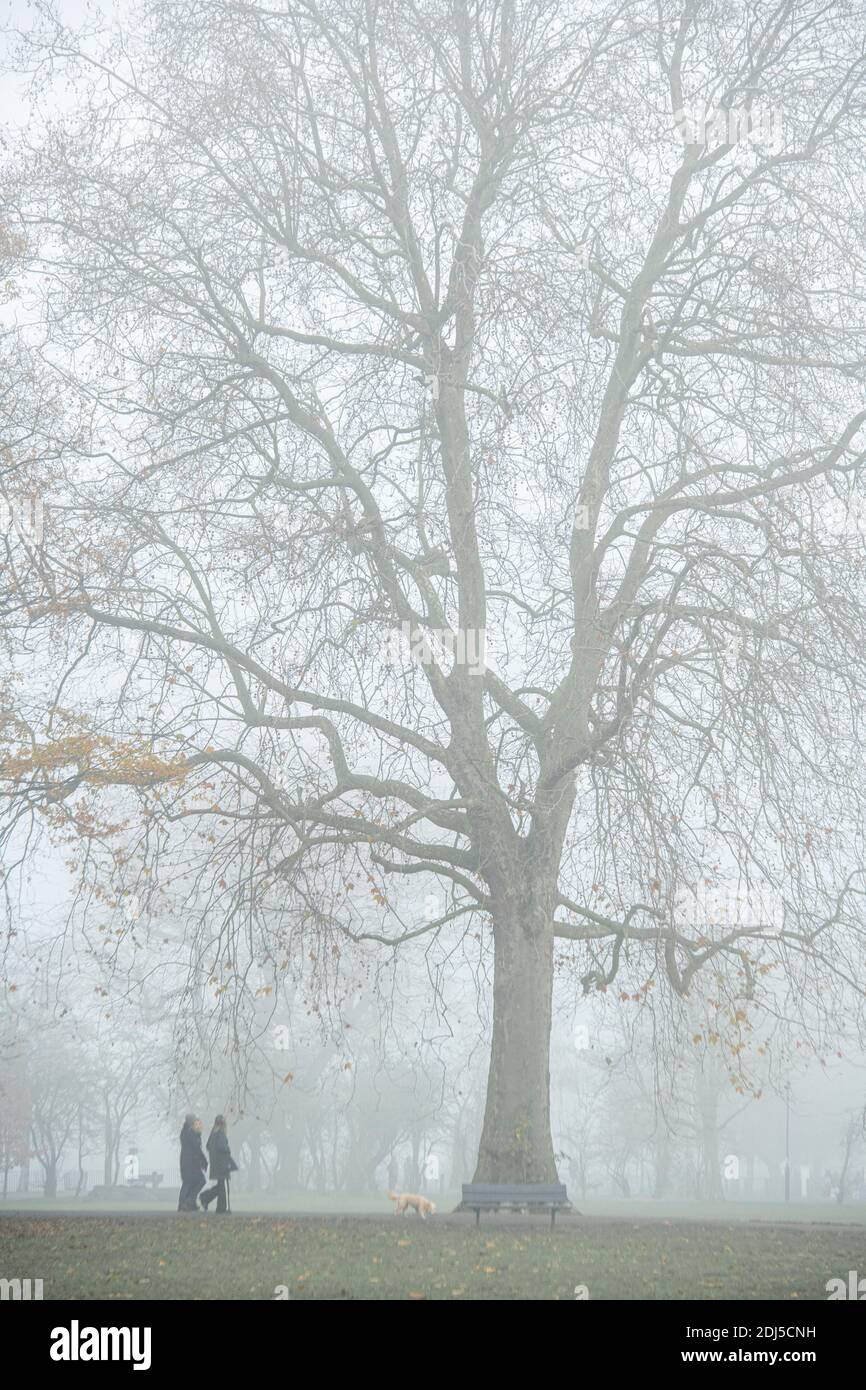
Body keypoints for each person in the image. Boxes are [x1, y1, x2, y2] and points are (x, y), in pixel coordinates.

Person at [200, 1114, 238, 1214]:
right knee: (222, 1186)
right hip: (222, 1163)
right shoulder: (221, 1133)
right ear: (223, 1124)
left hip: (215, 1163)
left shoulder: (213, 1133)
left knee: (220, 1185)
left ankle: (205, 1198)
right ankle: (220, 1208)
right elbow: (222, 1147)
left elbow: (208, 1146)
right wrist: (228, 1149)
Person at [177, 1114, 207, 1212]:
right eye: (194, 1121)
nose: (196, 1123)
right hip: (189, 1162)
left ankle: (190, 1202)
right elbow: (196, 1147)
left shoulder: (188, 1132)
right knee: (189, 1182)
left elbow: (196, 1147)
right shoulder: (188, 1132)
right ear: (191, 1122)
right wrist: (203, 1160)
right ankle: (185, 1203)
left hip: (191, 1162)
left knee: (195, 1181)